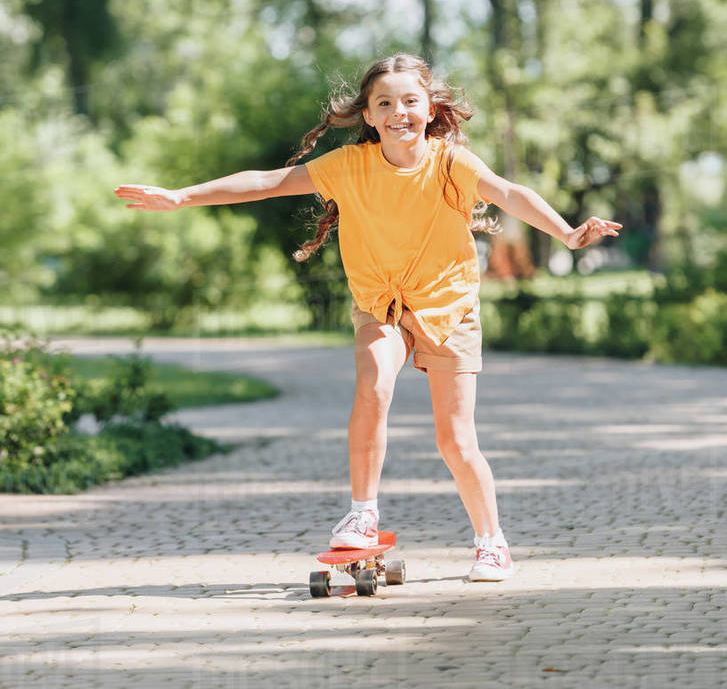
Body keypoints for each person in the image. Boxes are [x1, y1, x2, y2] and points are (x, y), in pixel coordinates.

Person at [114, 51, 622, 581]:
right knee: (374, 386)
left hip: (448, 306)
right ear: (369, 115)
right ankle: (362, 514)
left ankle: (491, 543)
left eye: (410, 101)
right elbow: (266, 182)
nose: (398, 111)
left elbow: (510, 194)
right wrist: (181, 196)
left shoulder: (451, 163)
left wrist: (566, 233)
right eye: (384, 103)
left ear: (430, 109)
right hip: (381, 300)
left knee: (454, 440)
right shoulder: (347, 167)